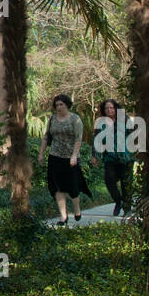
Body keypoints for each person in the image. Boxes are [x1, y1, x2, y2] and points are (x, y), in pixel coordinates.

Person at [38, 93, 91, 225]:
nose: (59, 107)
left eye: (61, 104)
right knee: (57, 187)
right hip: (55, 157)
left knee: (72, 187)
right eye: (56, 105)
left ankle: (77, 209)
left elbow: (78, 139)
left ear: (67, 105)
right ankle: (63, 217)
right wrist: (41, 153)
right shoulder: (52, 119)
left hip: (70, 158)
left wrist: (74, 155)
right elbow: (46, 137)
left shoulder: (75, 119)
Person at [93, 98, 136, 216]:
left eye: (111, 107)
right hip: (110, 157)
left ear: (116, 108)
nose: (109, 110)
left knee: (126, 183)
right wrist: (94, 156)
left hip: (126, 156)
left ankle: (127, 208)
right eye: (106, 108)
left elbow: (133, 136)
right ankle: (118, 201)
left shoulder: (124, 119)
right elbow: (96, 139)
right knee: (109, 180)